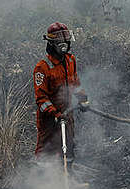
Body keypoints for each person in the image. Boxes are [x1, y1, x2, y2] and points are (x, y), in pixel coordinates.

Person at [33, 22, 88, 169]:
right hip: (49, 119)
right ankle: (42, 184)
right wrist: (55, 113)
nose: (64, 44)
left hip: (67, 113)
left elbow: (75, 83)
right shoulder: (42, 67)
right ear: (51, 43)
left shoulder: (70, 60)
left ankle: (68, 180)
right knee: (46, 150)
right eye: (59, 41)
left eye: (65, 40)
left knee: (69, 146)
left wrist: (83, 99)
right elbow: (41, 99)